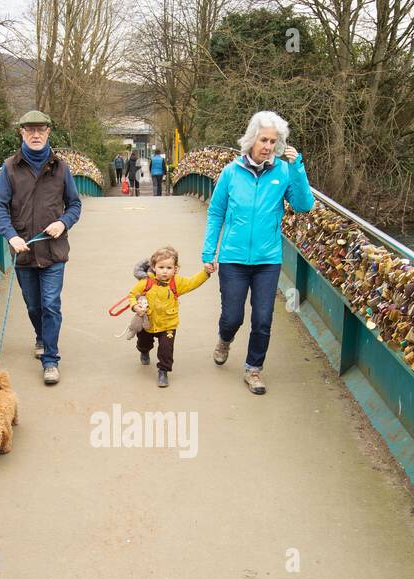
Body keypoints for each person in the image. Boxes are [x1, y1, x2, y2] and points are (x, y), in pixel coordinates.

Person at [202, 110, 314, 395]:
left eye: (273, 141)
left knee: (263, 318)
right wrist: (208, 253)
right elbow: (216, 213)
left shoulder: (284, 171)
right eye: (264, 139)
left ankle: (253, 369)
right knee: (232, 317)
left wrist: (298, 166)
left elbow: (303, 205)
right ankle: (224, 339)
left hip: (267, 259)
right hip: (233, 258)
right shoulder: (231, 172)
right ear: (252, 139)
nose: (268, 146)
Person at [0, 109, 82, 385]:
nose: (35, 134)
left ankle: (51, 360)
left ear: (48, 132)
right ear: (21, 133)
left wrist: (63, 223)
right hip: (24, 252)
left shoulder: (61, 167)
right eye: (30, 130)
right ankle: (41, 337)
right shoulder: (9, 168)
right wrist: (11, 236)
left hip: (54, 251)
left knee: (51, 304)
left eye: (40, 130)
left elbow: (75, 205)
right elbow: (0, 208)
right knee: (33, 306)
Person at [125, 246, 214, 387]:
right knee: (144, 343)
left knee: (166, 349)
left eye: (169, 267)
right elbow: (132, 295)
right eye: (161, 267)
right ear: (154, 267)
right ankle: (144, 351)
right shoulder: (146, 283)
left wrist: (205, 273)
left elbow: (192, 282)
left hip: (168, 324)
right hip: (148, 323)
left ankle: (163, 370)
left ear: (175, 269)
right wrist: (135, 306)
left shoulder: (176, 283)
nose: (165, 271)